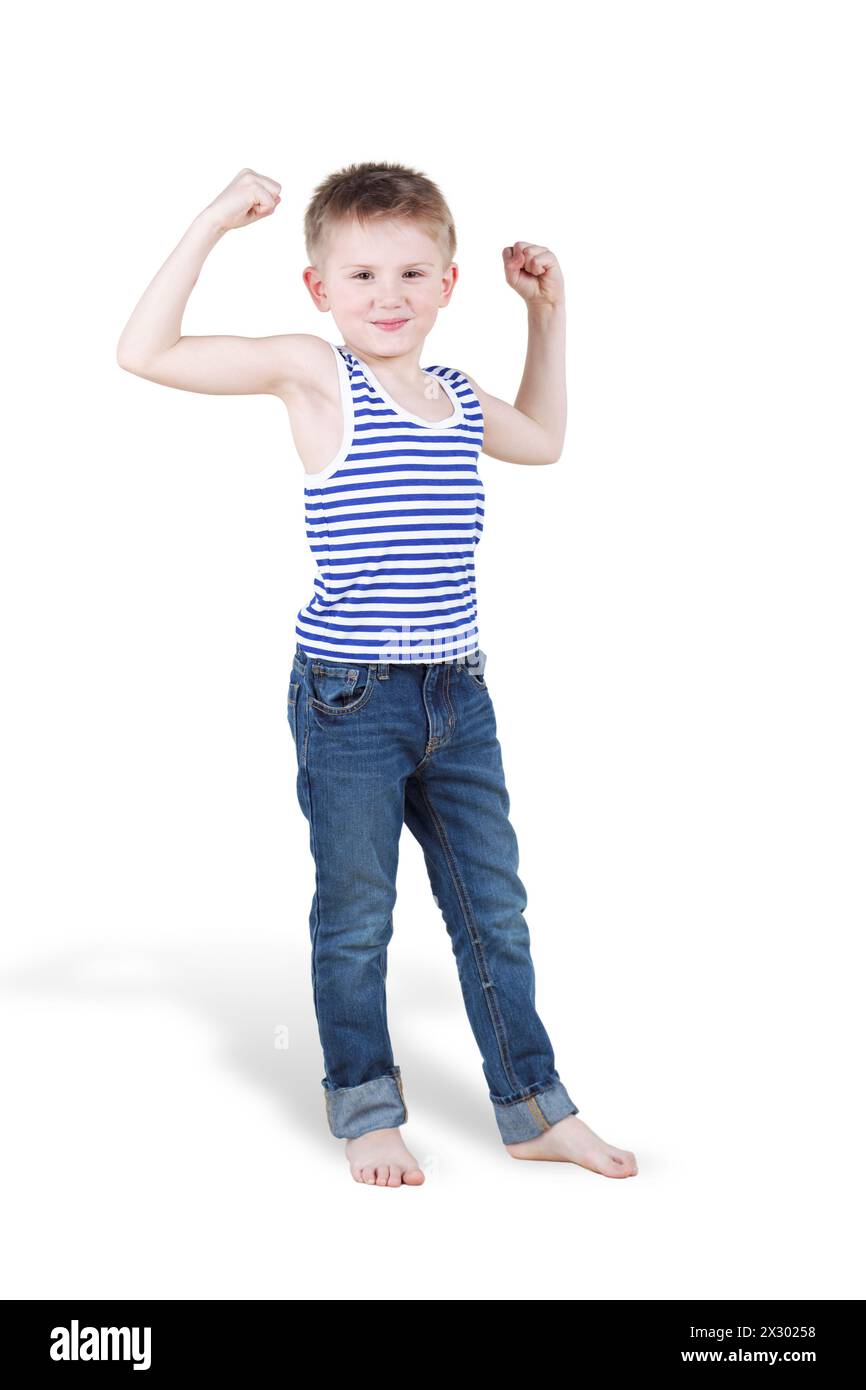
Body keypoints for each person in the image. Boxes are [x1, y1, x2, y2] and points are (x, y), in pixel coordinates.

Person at [117, 162, 638, 1187]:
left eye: (410, 272)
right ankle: (366, 1107)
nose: (386, 296)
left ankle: (533, 1106)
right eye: (359, 275)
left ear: (448, 284)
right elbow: (143, 352)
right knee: (357, 914)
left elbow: (540, 440)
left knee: (492, 909)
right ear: (319, 290)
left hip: (458, 693)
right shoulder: (319, 374)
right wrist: (215, 218)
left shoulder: (451, 393)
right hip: (351, 696)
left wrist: (547, 317)